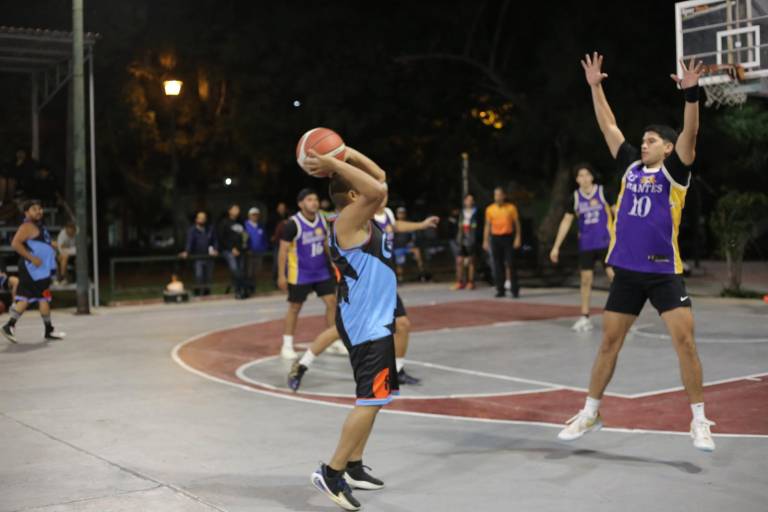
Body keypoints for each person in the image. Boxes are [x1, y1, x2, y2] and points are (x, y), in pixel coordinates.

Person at [557, 53, 715, 452]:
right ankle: (591, 412)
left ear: (668, 147)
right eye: (642, 140)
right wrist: (596, 87)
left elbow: (692, 133)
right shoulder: (630, 167)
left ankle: (699, 419)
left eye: (651, 141)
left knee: (685, 343)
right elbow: (608, 125)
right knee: (608, 343)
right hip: (627, 271)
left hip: (663, 272)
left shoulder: (675, 171)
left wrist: (691, 95)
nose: (643, 144)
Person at [303, 144, 395, 511]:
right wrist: (331, 162)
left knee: (377, 398)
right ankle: (332, 471)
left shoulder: (362, 217)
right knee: (369, 400)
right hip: (366, 323)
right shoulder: (346, 222)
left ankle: (354, 465)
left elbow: (380, 179)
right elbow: (377, 188)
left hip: (373, 320)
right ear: (354, 196)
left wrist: (346, 153)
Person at [288, 204, 439, 390]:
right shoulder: (356, 219)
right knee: (340, 330)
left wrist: (421, 225)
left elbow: (394, 226)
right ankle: (301, 365)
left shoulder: (384, 215)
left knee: (402, 324)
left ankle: (397, 370)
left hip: (382, 284)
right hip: (360, 287)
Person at [550, 165, 615, 331]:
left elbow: (619, 213)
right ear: (577, 179)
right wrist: (556, 247)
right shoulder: (575, 198)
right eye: (581, 175)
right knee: (585, 280)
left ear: (592, 177)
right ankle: (585, 317)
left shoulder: (603, 192)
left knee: (614, 277)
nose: (584, 178)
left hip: (606, 242)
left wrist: (625, 236)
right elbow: (566, 222)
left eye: (587, 175)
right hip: (587, 245)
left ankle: (621, 315)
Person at [277, 189, 337, 360]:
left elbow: (325, 242)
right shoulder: (293, 224)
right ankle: (287, 345)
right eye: (309, 199)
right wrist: (281, 275)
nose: (314, 202)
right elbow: (282, 251)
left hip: (321, 271)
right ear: (300, 204)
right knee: (295, 307)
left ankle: (332, 340)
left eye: (315, 199)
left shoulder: (323, 219)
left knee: (332, 302)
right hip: (300, 273)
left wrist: (333, 261)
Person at [1, 200, 65, 343]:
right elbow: (15, 243)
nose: (38, 211)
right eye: (34, 209)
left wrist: (51, 245)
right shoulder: (27, 226)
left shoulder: (38, 225)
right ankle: (9, 325)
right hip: (32, 269)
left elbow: (39, 243)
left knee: (43, 297)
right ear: (26, 212)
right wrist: (32, 258)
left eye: (40, 208)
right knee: (26, 297)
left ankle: (48, 330)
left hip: (40, 270)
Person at [483, 187, 522, 297]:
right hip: (495, 238)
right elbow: (487, 225)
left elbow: (517, 223)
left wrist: (518, 237)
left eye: (500, 195)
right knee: (497, 264)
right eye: (496, 195)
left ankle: (514, 289)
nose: (498, 197)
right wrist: (485, 240)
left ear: (504, 196)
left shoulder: (511, 208)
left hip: (508, 237)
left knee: (511, 263)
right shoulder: (490, 209)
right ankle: (500, 289)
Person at [180, 211, 218, 296]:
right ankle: (197, 292)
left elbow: (215, 241)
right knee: (199, 275)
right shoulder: (192, 230)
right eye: (200, 218)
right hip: (197, 257)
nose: (202, 219)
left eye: (203, 218)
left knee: (208, 277)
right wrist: (186, 251)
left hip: (209, 257)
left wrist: (215, 249)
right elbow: (189, 242)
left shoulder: (210, 229)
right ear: (196, 219)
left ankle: (206, 293)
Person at [217, 204, 248, 299]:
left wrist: (243, 247)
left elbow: (244, 236)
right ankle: (239, 290)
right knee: (235, 269)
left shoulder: (241, 222)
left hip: (240, 251)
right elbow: (221, 237)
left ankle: (242, 290)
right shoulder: (224, 222)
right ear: (229, 211)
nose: (237, 211)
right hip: (228, 250)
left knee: (241, 271)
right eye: (234, 209)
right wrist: (231, 248)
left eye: (238, 209)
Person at [392, 207, 427, 282]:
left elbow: (413, 237)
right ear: (397, 214)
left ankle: (422, 274)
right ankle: (400, 278)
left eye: (403, 213)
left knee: (417, 251)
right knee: (400, 263)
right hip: (398, 247)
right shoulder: (393, 224)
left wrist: (411, 243)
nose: (401, 214)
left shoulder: (409, 224)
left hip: (407, 247)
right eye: (399, 213)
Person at [453, 193, 480, 290]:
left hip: (471, 239)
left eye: (471, 200)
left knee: (471, 261)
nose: (470, 202)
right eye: (468, 200)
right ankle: (459, 282)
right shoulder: (461, 212)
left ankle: (471, 282)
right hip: (461, 239)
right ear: (464, 201)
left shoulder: (477, 212)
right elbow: (458, 225)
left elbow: (477, 226)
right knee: (459, 260)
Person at [244, 207, 269, 293]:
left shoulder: (261, 226)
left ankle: (253, 287)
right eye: (253, 215)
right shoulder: (245, 225)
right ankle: (247, 287)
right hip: (249, 253)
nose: (255, 216)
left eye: (256, 215)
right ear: (249, 215)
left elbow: (264, 238)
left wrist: (265, 248)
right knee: (249, 271)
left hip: (259, 252)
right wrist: (246, 249)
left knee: (256, 270)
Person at [270, 201, 290, 283]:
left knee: (287, 263)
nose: (282, 209)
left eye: (283, 207)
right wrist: (272, 237)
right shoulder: (275, 219)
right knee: (276, 263)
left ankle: (287, 280)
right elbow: (274, 233)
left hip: (288, 244)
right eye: (280, 207)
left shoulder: (290, 220)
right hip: (278, 244)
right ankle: (275, 280)